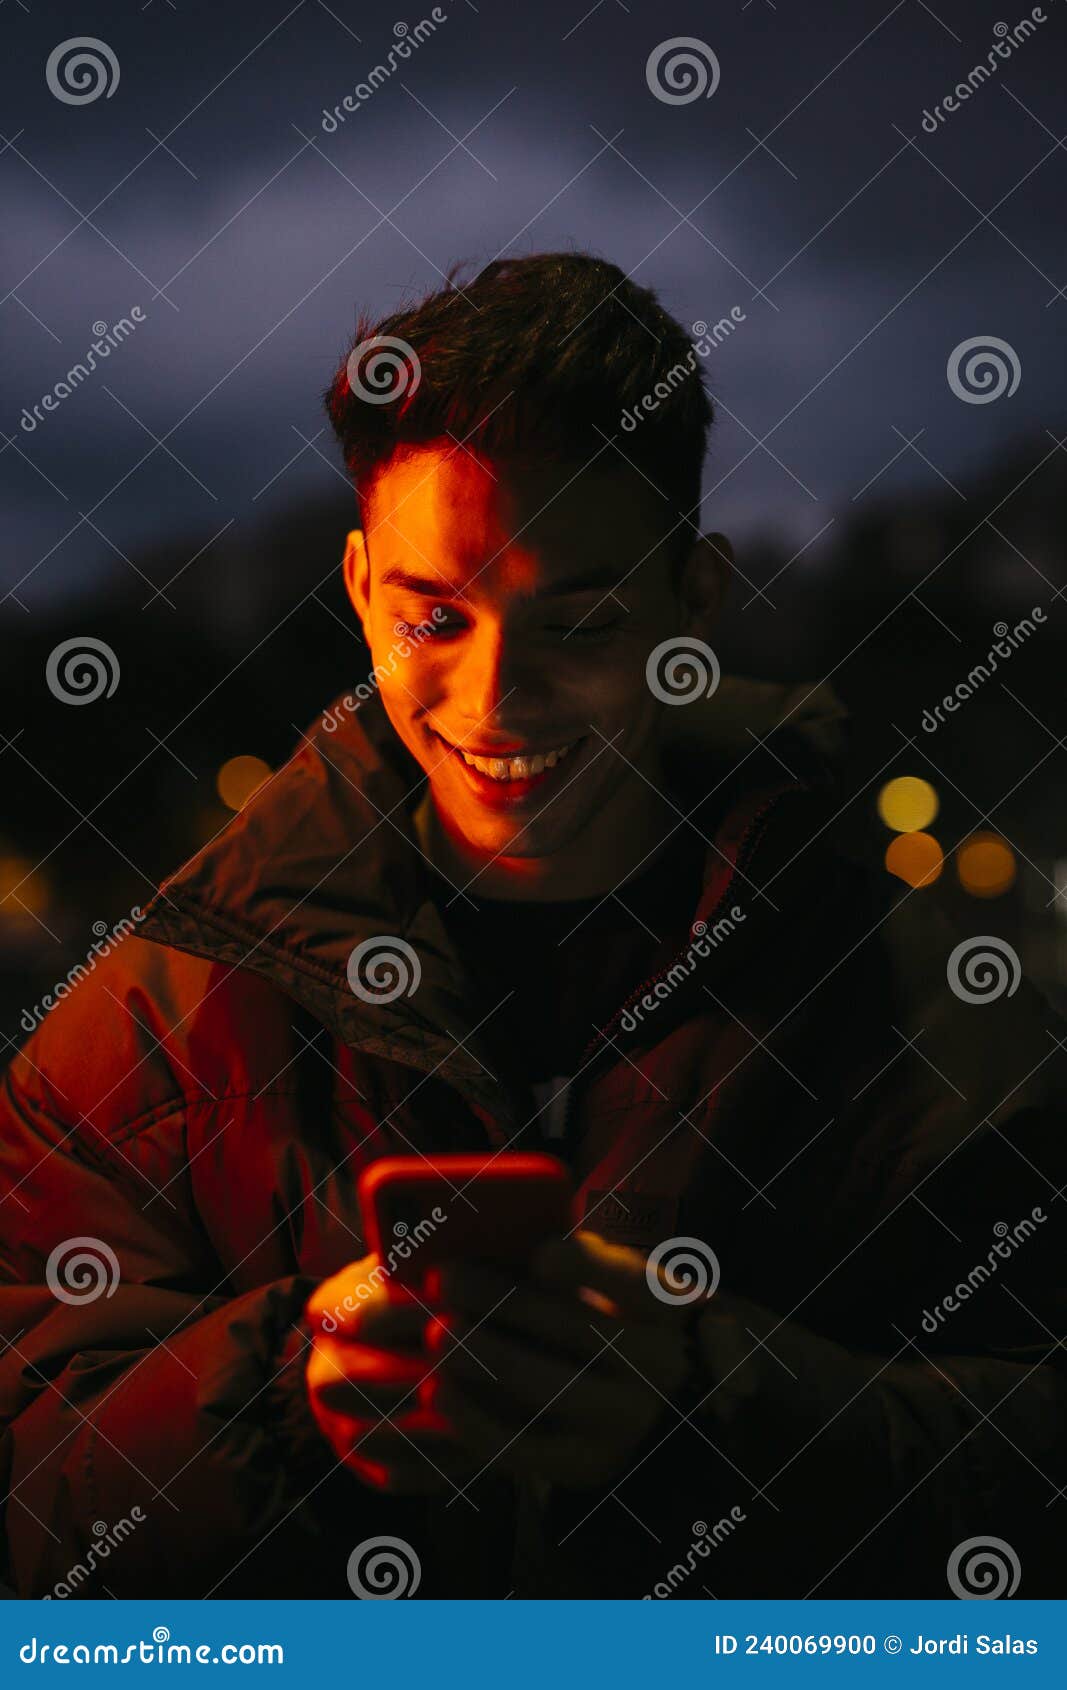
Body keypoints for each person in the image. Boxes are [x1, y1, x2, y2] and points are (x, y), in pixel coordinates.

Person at [0, 253, 1064, 1600]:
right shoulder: (163, 1008)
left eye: (580, 620)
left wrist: (710, 1399)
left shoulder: (925, 998)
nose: (497, 699)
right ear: (357, 587)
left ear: (696, 601)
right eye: (434, 617)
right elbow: (27, 1506)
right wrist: (286, 1388)